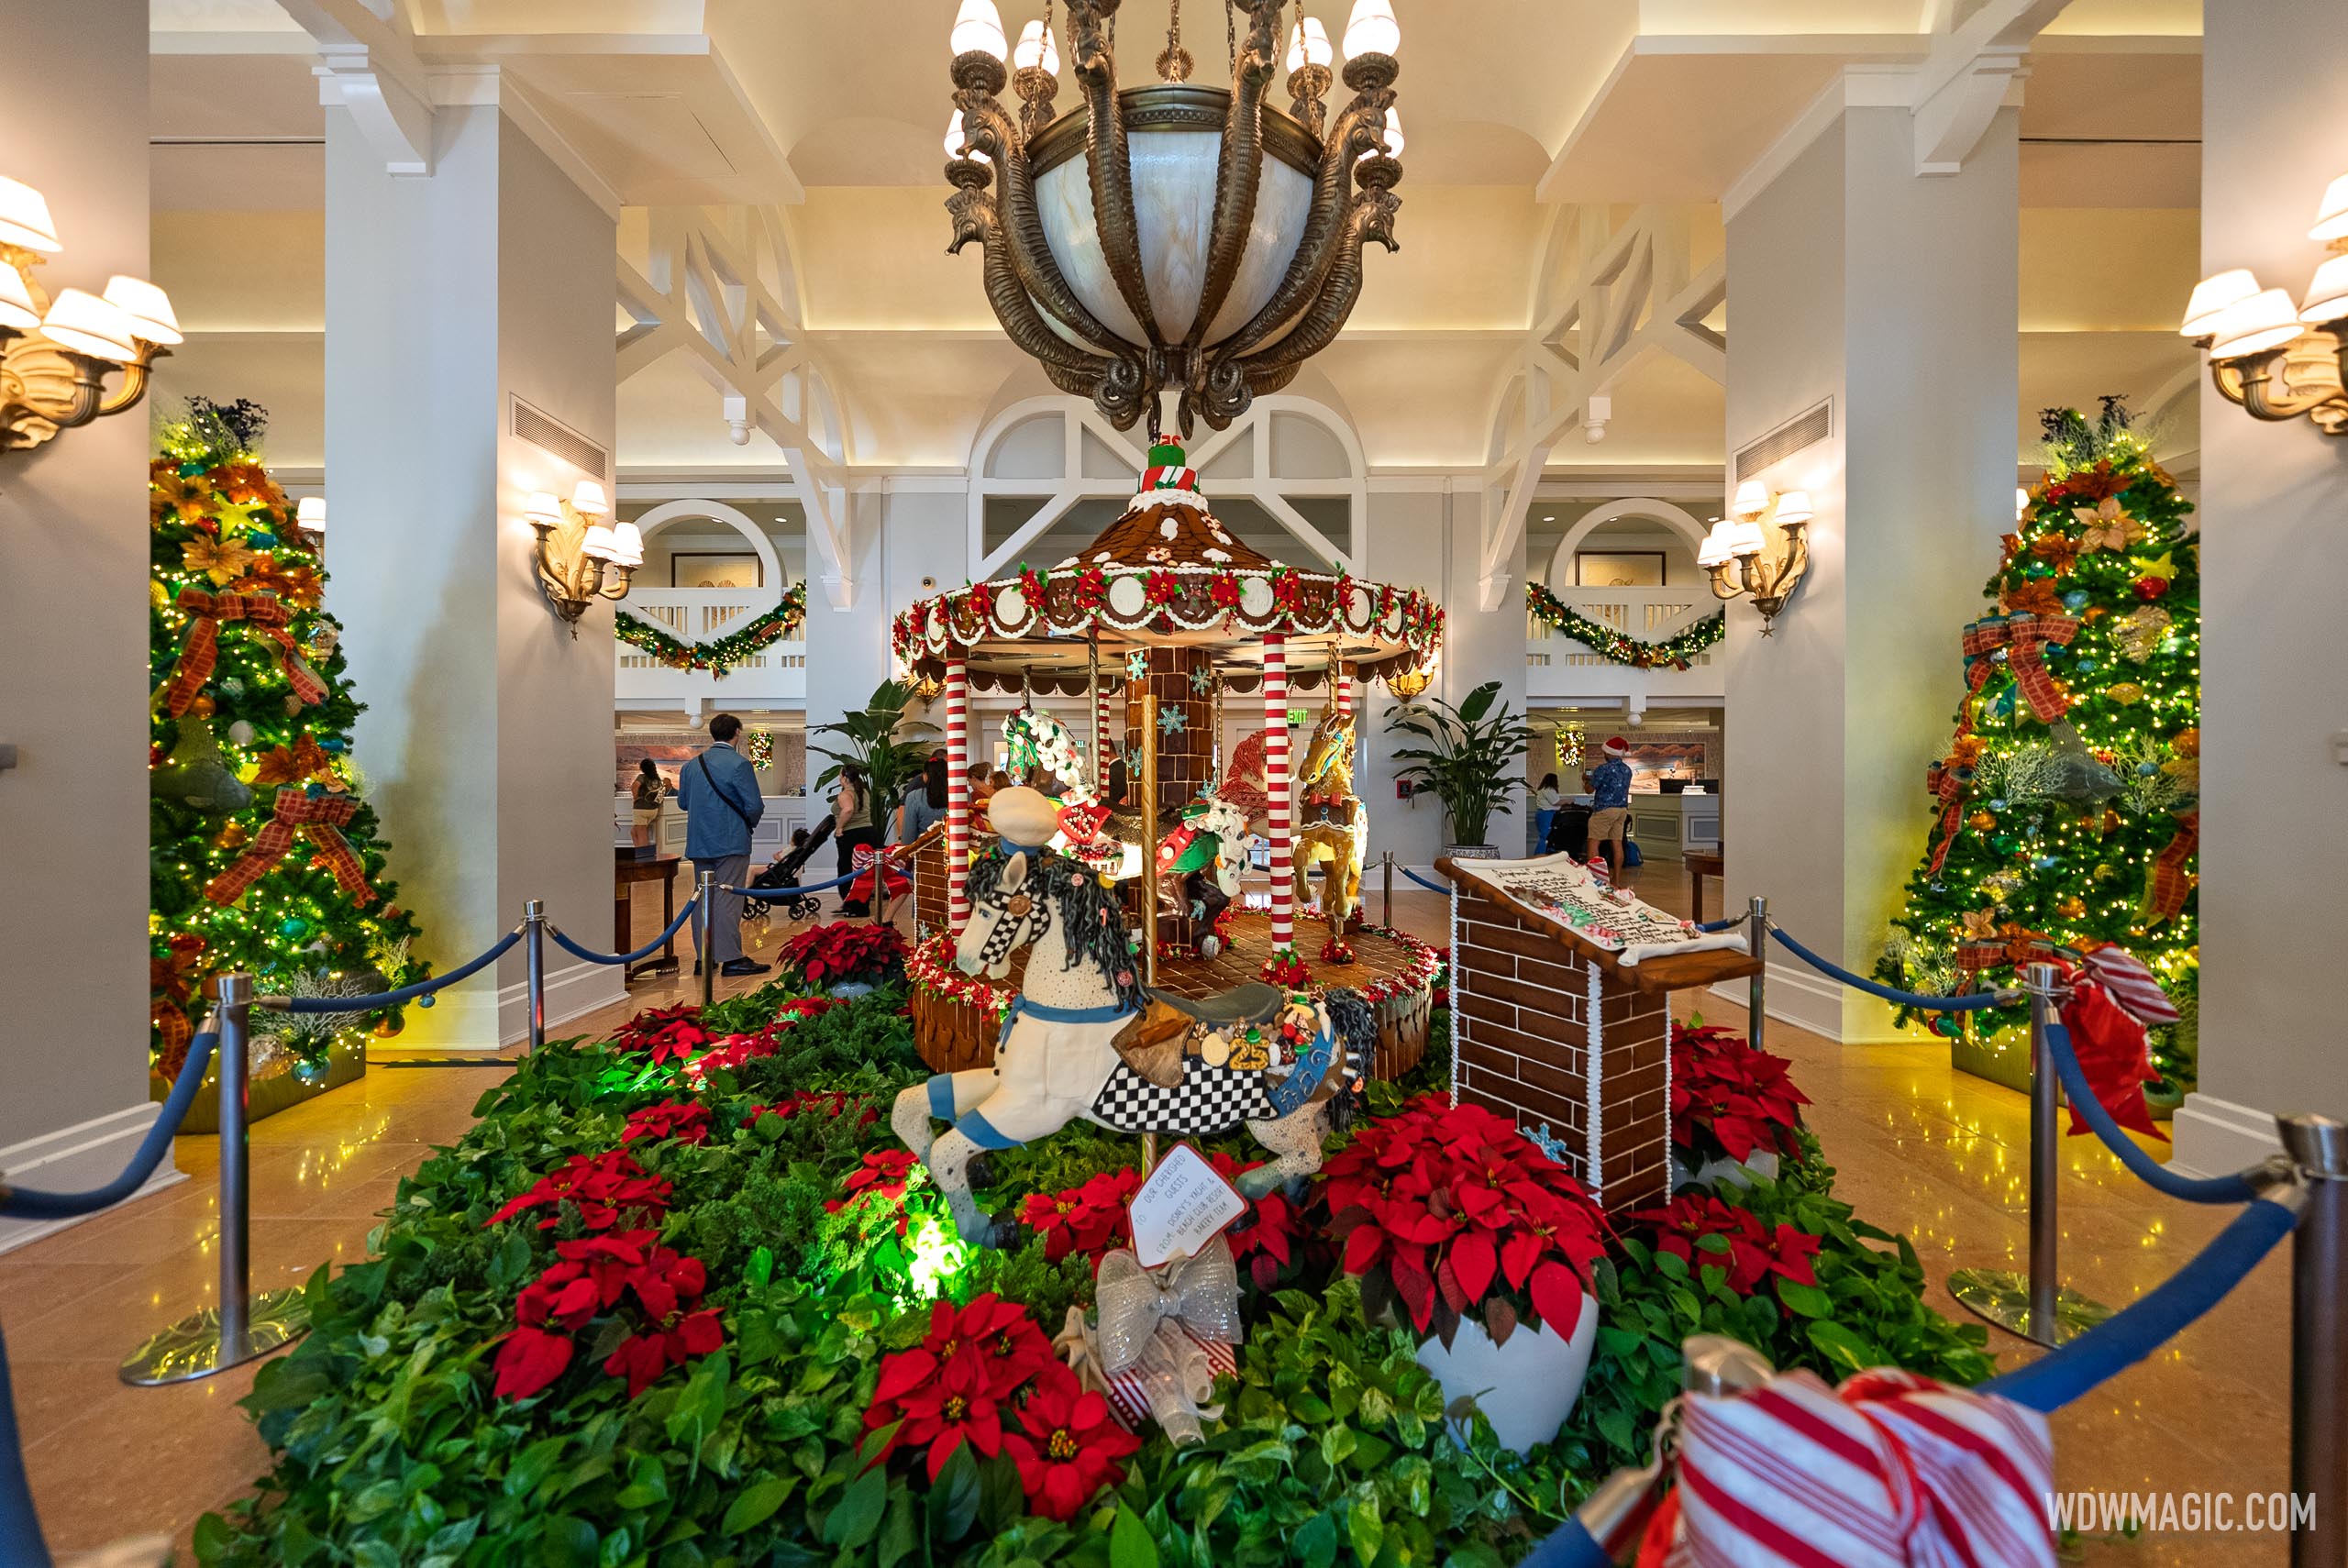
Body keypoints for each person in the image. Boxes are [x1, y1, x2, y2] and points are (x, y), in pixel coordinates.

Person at [677, 713, 770, 977]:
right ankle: (731, 958)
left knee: (701, 898)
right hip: (731, 841)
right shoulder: (740, 764)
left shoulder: (691, 766)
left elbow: (683, 803)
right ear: (737, 732)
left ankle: (704, 958)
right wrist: (746, 824)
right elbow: (754, 805)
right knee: (728, 898)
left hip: (699, 841)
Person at [1584, 737, 1634, 878]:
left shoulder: (1603, 769)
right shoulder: (1627, 770)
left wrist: (1586, 781)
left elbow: (1589, 790)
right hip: (1622, 810)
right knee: (1617, 844)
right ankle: (1616, 880)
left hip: (1604, 810)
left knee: (1593, 842)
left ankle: (1596, 878)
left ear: (1608, 752)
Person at [833, 765, 878, 915]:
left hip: (851, 836)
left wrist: (839, 828)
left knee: (846, 870)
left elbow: (848, 809)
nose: (839, 778)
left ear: (845, 778)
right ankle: (859, 905)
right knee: (863, 871)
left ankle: (853, 905)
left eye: (840, 776)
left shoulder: (846, 794)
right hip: (868, 833)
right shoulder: (863, 791)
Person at [894, 753, 948, 845]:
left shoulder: (914, 797)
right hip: (954, 848)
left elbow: (908, 838)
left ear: (925, 775)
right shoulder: (962, 795)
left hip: (923, 849)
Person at [630, 758, 665, 849]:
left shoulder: (642, 777)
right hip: (653, 810)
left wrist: (635, 798)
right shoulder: (657, 779)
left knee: (642, 834)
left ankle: (644, 857)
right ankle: (638, 853)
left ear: (642, 768)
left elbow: (634, 786)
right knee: (634, 832)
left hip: (641, 809)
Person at [1533, 772, 1561, 856]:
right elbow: (1555, 802)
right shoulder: (1548, 789)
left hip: (1545, 814)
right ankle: (1539, 856)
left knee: (1549, 837)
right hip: (1547, 814)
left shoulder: (1543, 789)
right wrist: (1568, 801)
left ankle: (1545, 856)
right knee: (1546, 837)